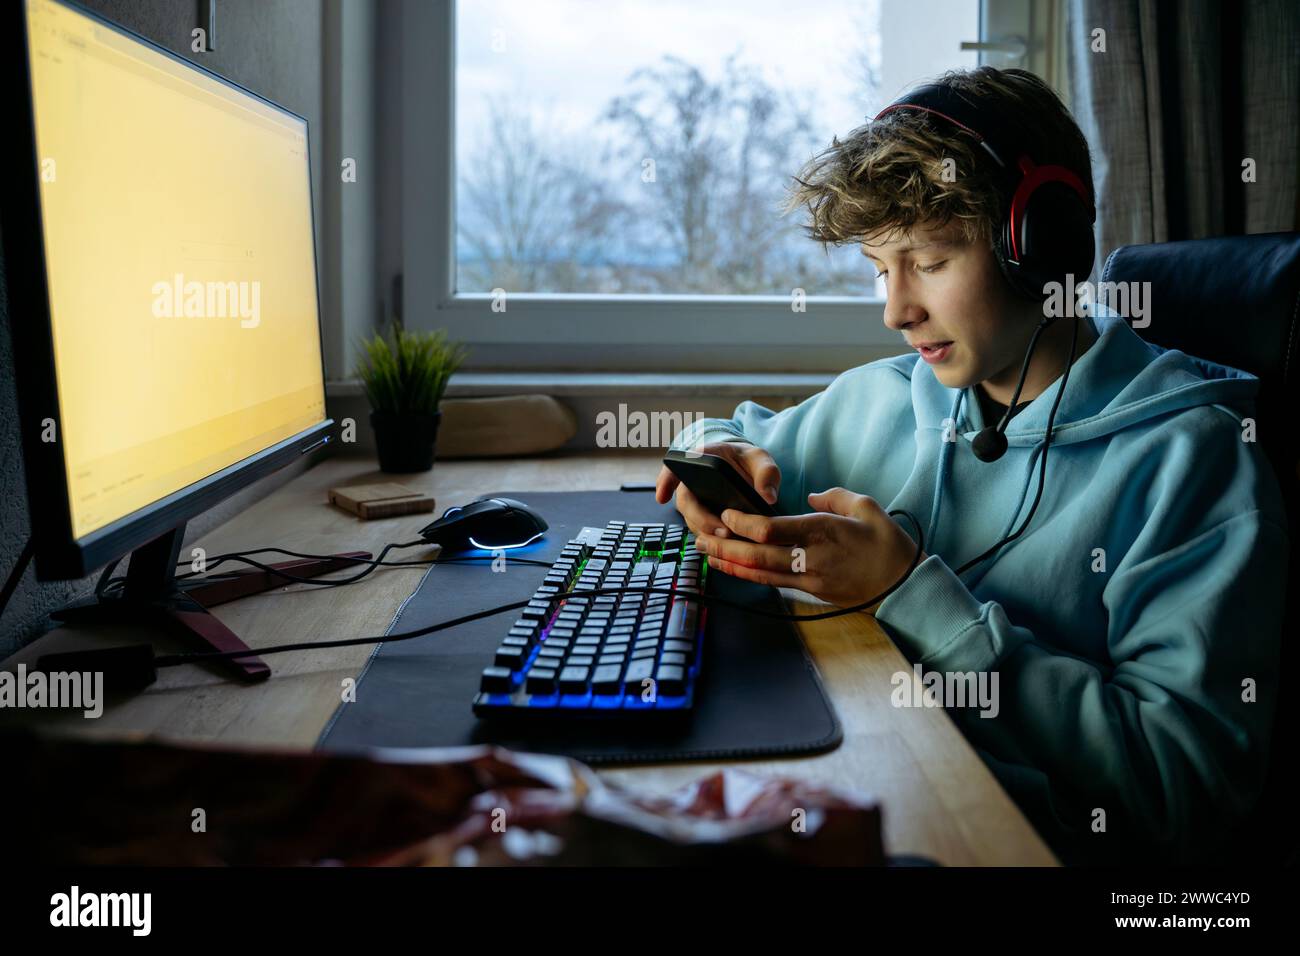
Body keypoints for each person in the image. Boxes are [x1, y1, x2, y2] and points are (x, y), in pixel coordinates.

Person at [656, 66, 1288, 865]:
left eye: (929, 260)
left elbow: (1182, 789)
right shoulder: (890, 395)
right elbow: (733, 434)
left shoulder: (1192, 462)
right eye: (881, 268)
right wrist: (713, 454)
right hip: (882, 771)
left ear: (1042, 245)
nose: (896, 311)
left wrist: (905, 592)